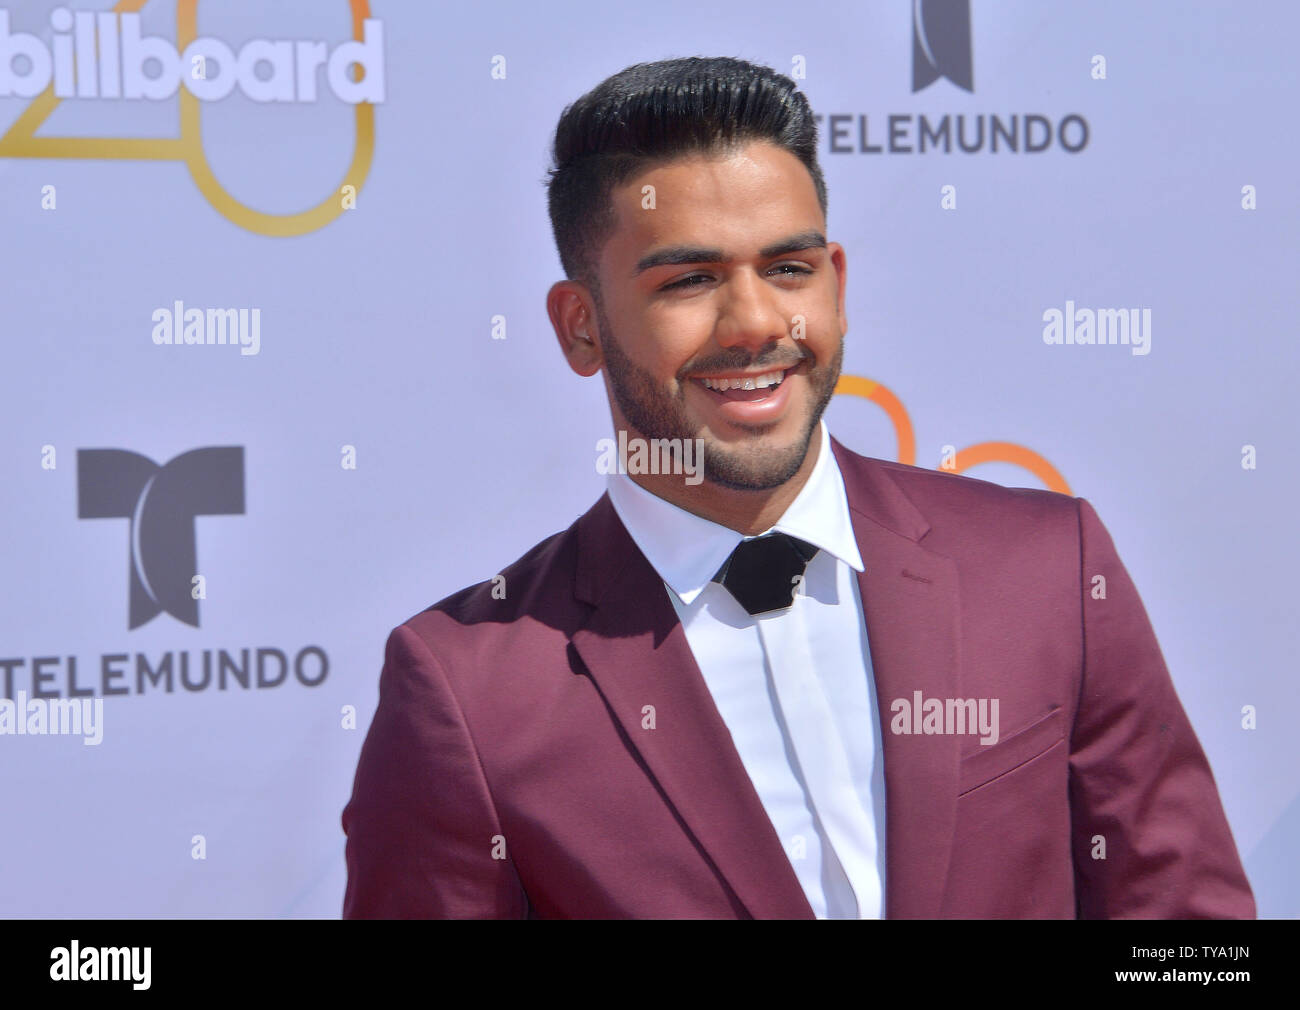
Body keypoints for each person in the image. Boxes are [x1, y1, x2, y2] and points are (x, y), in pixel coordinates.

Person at [341, 56, 1255, 919]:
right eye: (690, 280)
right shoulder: (469, 690)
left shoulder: (1048, 571)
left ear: (837, 285)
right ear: (581, 327)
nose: (755, 324)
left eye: (788, 269)